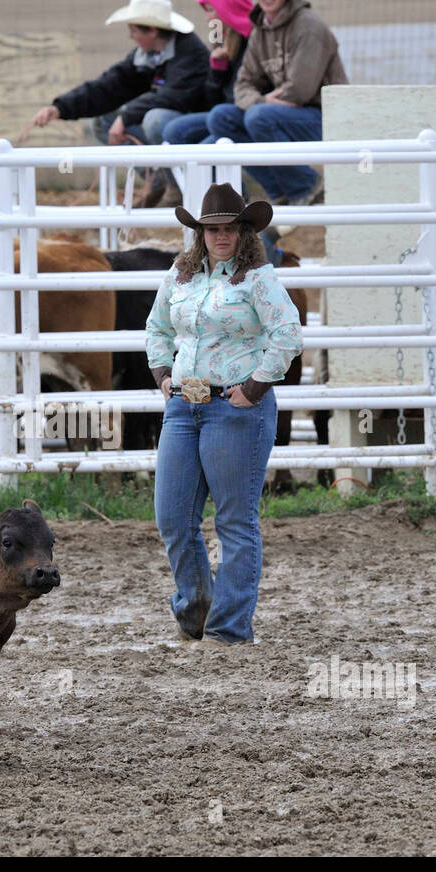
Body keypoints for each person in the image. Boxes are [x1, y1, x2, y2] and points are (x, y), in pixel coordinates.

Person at [145, 183, 302, 646]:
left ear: (243, 232)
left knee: (235, 521)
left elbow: (288, 335)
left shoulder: (259, 280)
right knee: (172, 517)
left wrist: (255, 388)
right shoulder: (181, 275)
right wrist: (162, 376)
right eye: (212, 229)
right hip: (183, 405)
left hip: (235, 409)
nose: (220, 236)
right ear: (200, 233)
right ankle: (196, 610)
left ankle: (229, 627)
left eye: (229, 228)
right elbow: (158, 327)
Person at [205, 0, 347, 206]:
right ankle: (278, 191)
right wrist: (260, 101)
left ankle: (307, 187)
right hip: (281, 112)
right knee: (220, 118)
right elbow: (242, 85)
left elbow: (300, 90)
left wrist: (258, 103)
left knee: (258, 117)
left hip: (325, 118)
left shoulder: (309, 26)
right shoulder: (260, 29)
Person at [26, 0, 209, 147]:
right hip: (176, 121)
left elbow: (172, 97)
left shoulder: (190, 54)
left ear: (152, 31)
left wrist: (126, 117)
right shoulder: (147, 56)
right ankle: (158, 180)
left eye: (133, 30)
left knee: (156, 120)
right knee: (104, 121)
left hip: (194, 121)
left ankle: (174, 184)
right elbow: (110, 85)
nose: (131, 36)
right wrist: (61, 107)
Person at [160, 0, 256, 147]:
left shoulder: (253, 42)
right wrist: (217, 70)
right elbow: (212, 102)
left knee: (200, 154)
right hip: (221, 114)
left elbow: (237, 98)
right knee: (173, 130)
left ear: (227, 10)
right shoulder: (221, 41)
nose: (208, 18)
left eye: (211, 10)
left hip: (238, 116)